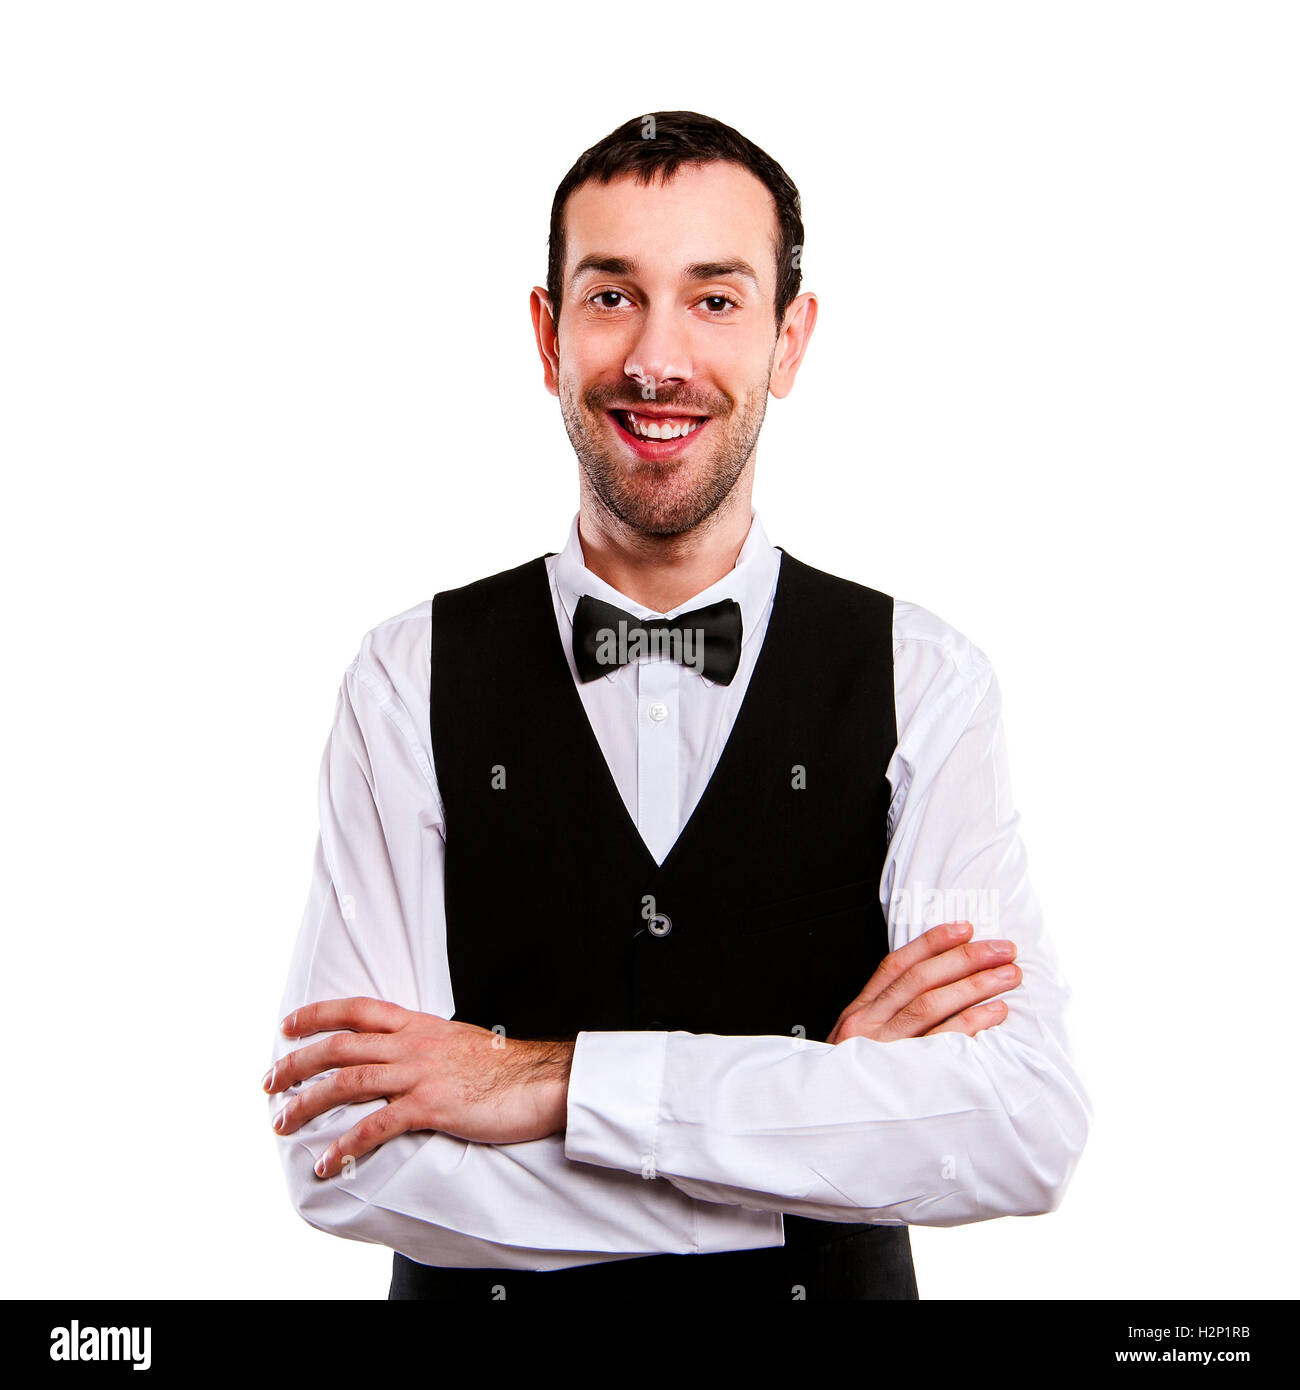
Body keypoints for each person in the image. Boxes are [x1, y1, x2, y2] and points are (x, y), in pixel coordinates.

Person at [264, 110, 1091, 1301]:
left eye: (714, 299)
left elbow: (1022, 1124)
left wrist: (543, 1085)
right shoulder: (403, 678)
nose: (659, 359)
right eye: (611, 296)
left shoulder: (931, 682)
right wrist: (817, 1137)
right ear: (547, 334)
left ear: (788, 340)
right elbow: (340, 1155)